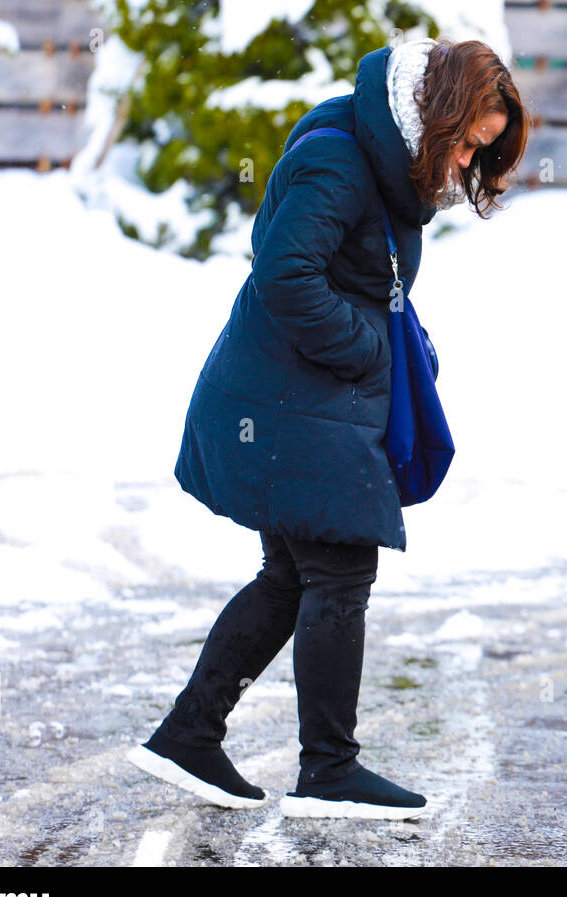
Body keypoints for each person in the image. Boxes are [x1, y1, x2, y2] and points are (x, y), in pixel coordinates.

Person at [126, 36, 527, 821]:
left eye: (484, 149)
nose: (468, 161)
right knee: (339, 571)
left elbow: (344, 274)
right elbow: (283, 272)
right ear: (438, 113)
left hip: (301, 400)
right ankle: (329, 769)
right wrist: (367, 348)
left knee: (293, 575)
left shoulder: (383, 161)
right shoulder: (341, 160)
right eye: (469, 141)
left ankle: (189, 734)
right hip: (280, 404)